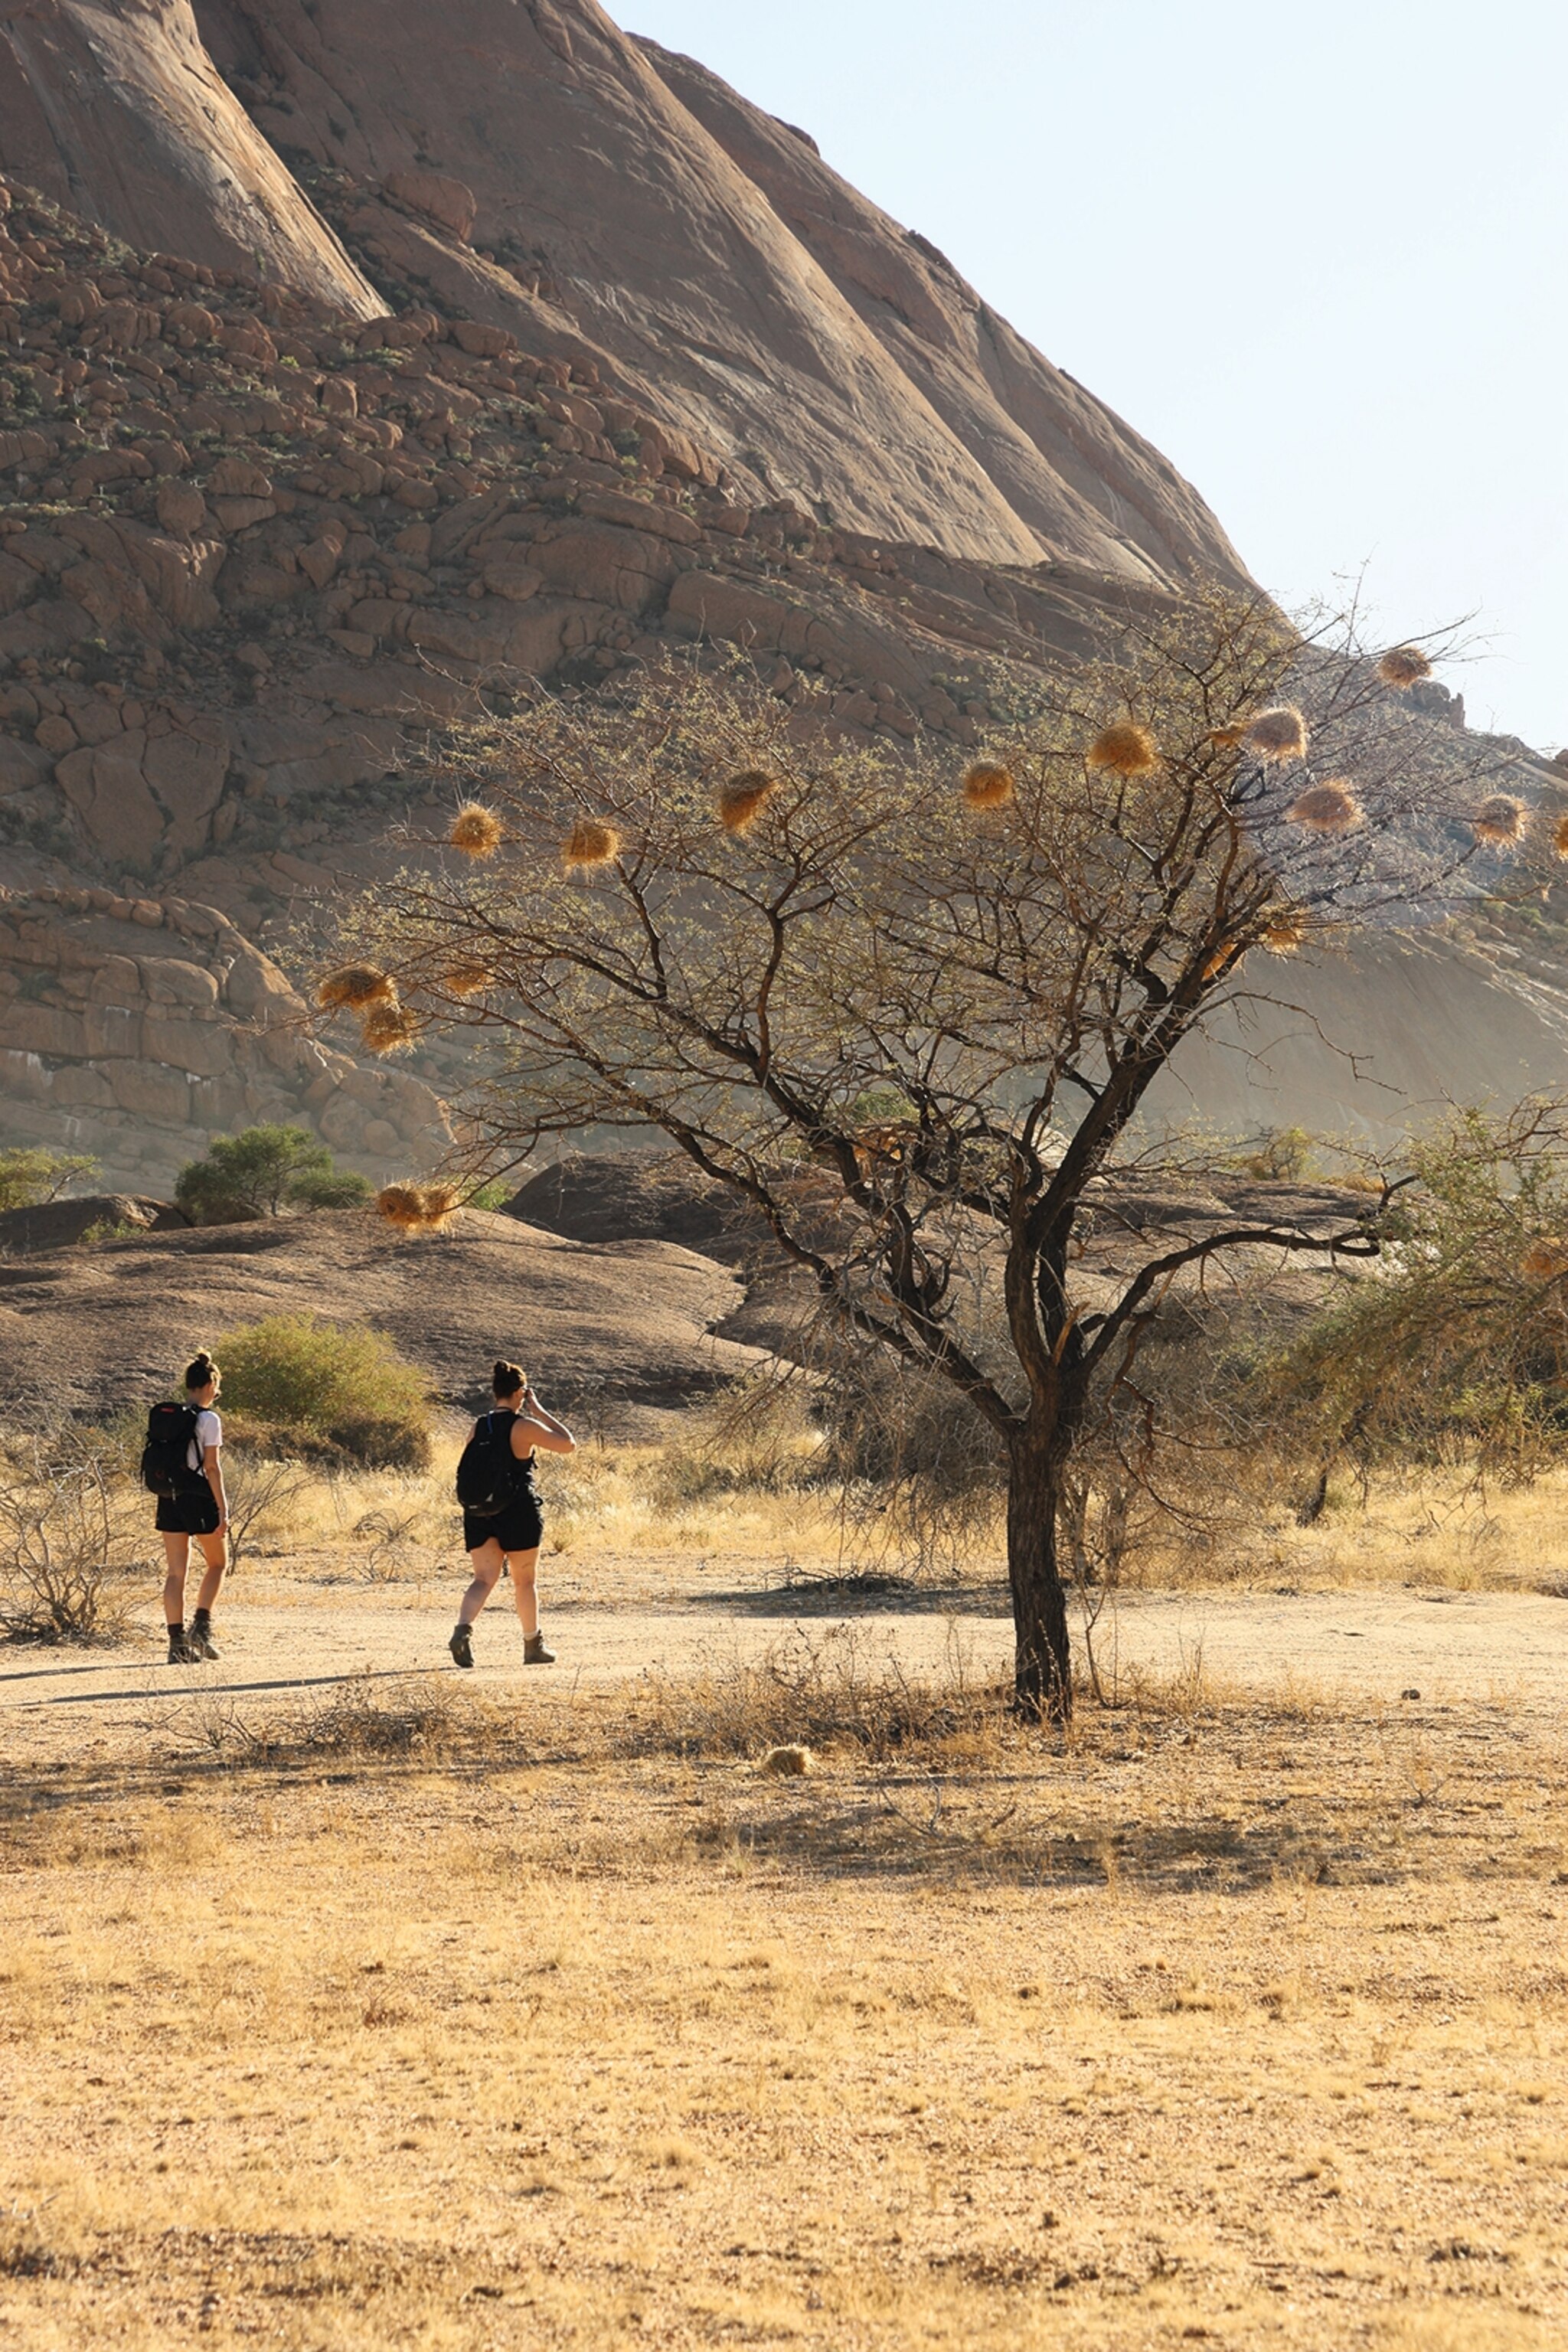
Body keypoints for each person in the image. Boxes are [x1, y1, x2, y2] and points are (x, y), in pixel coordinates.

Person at [449, 1361, 575, 1669]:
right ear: (520, 1392)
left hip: (479, 1513)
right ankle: (533, 1645)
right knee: (524, 1580)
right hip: (518, 1512)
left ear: (495, 1392)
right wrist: (539, 1410)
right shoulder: (524, 1426)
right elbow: (568, 1445)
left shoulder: (479, 1426)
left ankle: (462, 1630)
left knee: (483, 1579)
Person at [159, 1349, 228, 1666]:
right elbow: (212, 1467)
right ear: (209, 1384)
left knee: (176, 1573)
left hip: (169, 1496)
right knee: (217, 1564)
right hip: (198, 1496)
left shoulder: (171, 1415)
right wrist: (223, 1508)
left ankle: (176, 1644)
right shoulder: (208, 1419)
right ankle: (201, 1626)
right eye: (216, 1386)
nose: (217, 1393)